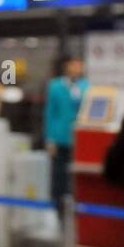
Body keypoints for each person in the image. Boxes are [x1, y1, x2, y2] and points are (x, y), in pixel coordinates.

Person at [44, 55, 87, 216]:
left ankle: (75, 203)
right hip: (60, 136)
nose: (77, 68)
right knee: (59, 173)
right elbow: (50, 113)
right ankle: (58, 205)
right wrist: (50, 138)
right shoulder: (55, 86)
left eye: (79, 65)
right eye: (74, 65)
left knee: (75, 174)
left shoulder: (86, 86)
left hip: (79, 138)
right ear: (67, 67)